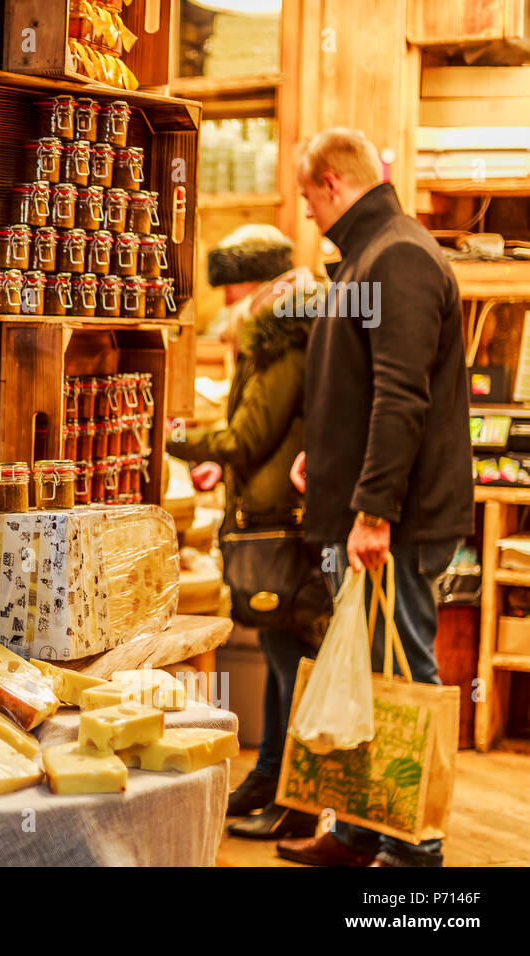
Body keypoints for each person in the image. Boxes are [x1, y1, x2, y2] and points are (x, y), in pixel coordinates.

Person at [278, 128, 473, 868]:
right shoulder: (372, 254)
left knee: (401, 678)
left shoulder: (395, 255)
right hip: (363, 511)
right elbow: (363, 390)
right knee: (368, 676)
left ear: (332, 182)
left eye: (306, 196)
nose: (305, 212)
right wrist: (320, 461)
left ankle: (414, 849)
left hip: (393, 523)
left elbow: (401, 397)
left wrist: (371, 513)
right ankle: (361, 832)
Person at [167, 225, 324, 840]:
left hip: (283, 519)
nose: (227, 305)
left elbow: (251, 436)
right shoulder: (283, 330)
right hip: (274, 510)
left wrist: (176, 437)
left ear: (255, 286)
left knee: (292, 656)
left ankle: (293, 797)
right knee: (284, 654)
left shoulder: (284, 339)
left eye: (231, 290)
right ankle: (268, 779)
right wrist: (221, 459)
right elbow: (259, 434)